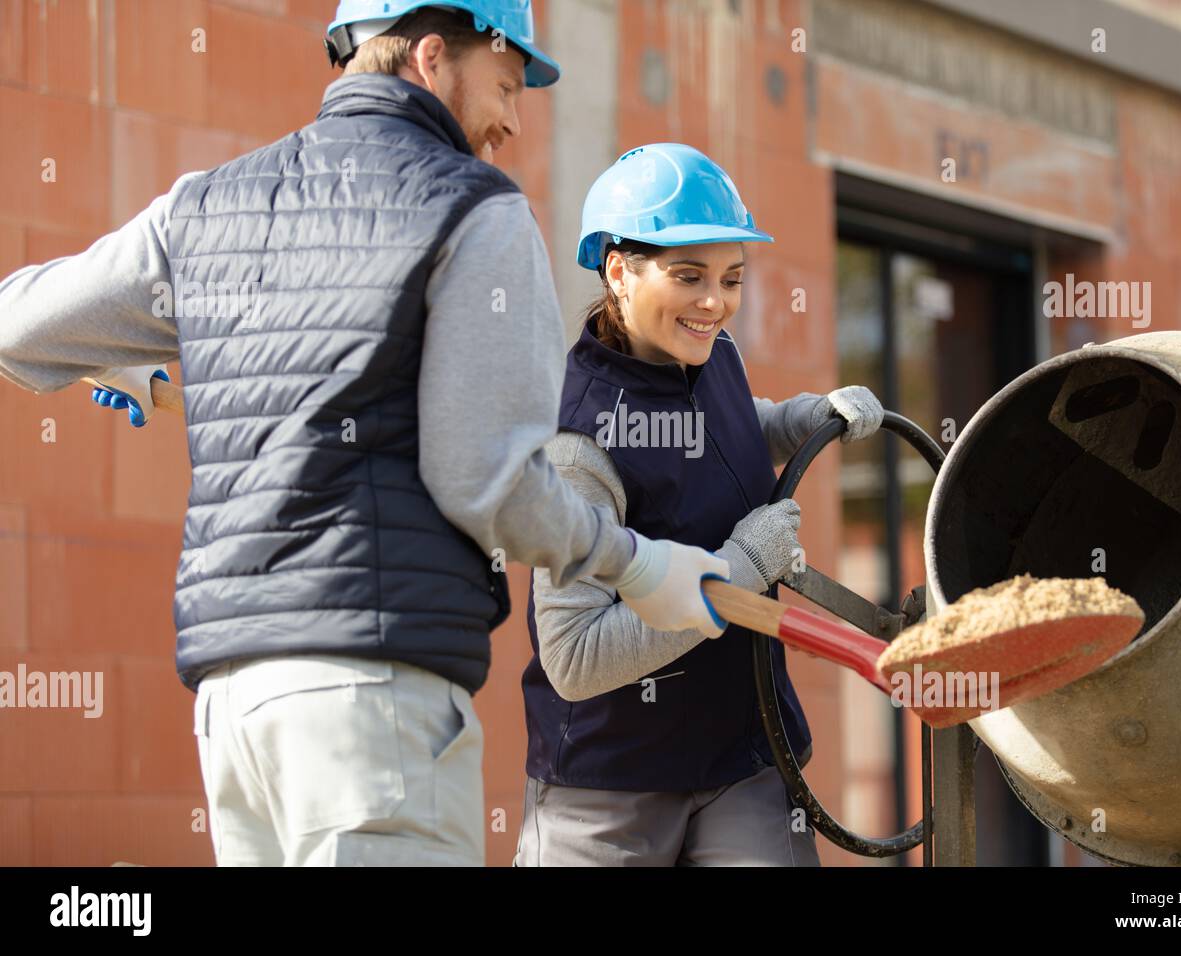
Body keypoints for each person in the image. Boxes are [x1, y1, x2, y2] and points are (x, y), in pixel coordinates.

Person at [0, 4, 727, 867]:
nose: (512, 119)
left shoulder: (204, 206)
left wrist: (135, 366)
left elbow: (17, 324)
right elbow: (491, 482)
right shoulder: (474, 211)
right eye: (503, 83)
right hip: (372, 696)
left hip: (234, 704)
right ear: (429, 56)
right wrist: (639, 566)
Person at [513, 143, 883, 866]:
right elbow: (574, 657)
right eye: (688, 276)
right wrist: (741, 566)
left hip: (741, 756)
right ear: (619, 271)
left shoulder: (710, 356)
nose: (714, 302)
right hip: (611, 789)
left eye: (731, 278)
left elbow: (724, 430)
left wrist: (806, 418)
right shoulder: (579, 443)